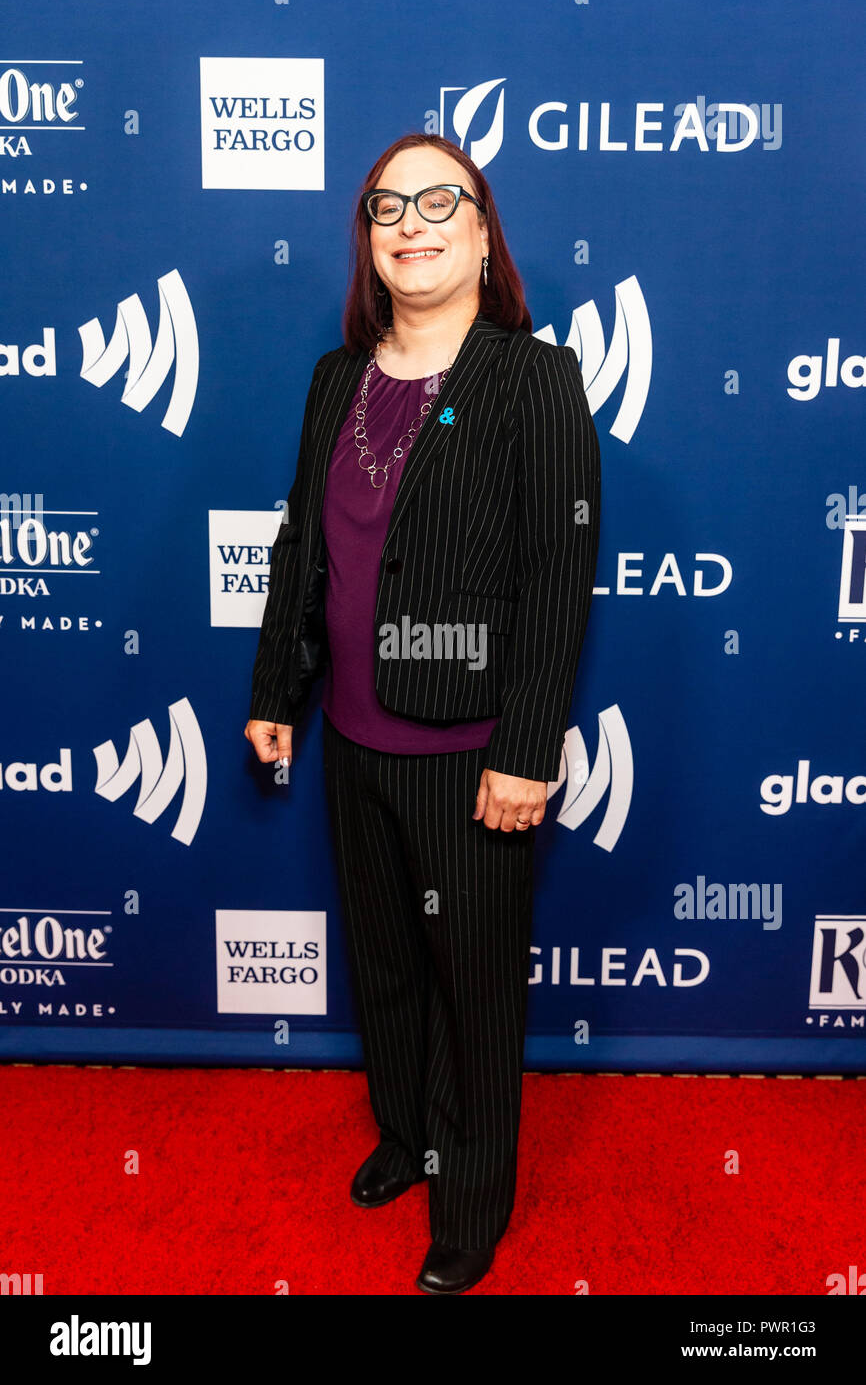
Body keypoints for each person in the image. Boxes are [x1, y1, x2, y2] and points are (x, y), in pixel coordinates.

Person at [245, 131, 601, 1294]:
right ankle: (407, 1136)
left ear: (482, 233)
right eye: (386, 204)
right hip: (353, 736)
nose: (410, 220)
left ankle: (473, 1201)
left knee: (476, 984)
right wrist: (275, 694)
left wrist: (524, 750)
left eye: (439, 199)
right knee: (386, 962)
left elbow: (559, 573)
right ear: (368, 238)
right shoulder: (334, 379)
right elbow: (306, 541)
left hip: (468, 756)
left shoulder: (532, 378)